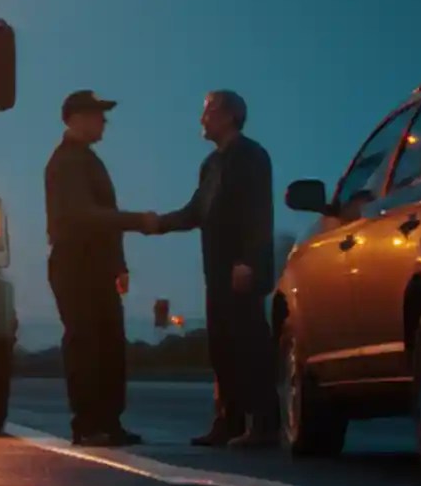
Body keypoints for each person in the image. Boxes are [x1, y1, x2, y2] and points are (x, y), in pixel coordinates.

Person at [146, 89, 279, 448]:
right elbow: (196, 211)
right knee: (221, 346)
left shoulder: (251, 156)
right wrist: (158, 223)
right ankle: (229, 421)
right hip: (216, 270)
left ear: (229, 115)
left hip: (242, 270)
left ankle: (264, 424)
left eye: (208, 111)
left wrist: (248, 261)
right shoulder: (211, 165)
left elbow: (258, 213)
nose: (202, 119)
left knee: (250, 344)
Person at [44, 89, 156, 447]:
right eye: (96, 115)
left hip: (96, 265)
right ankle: (89, 422)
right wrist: (139, 220)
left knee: (109, 343)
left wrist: (118, 264)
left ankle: (108, 421)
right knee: (86, 343)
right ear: (75, 118)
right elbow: (85, 216)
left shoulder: (88, 161)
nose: (103, 121)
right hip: (76, 264)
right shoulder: (66, 163)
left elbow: (103, 217)